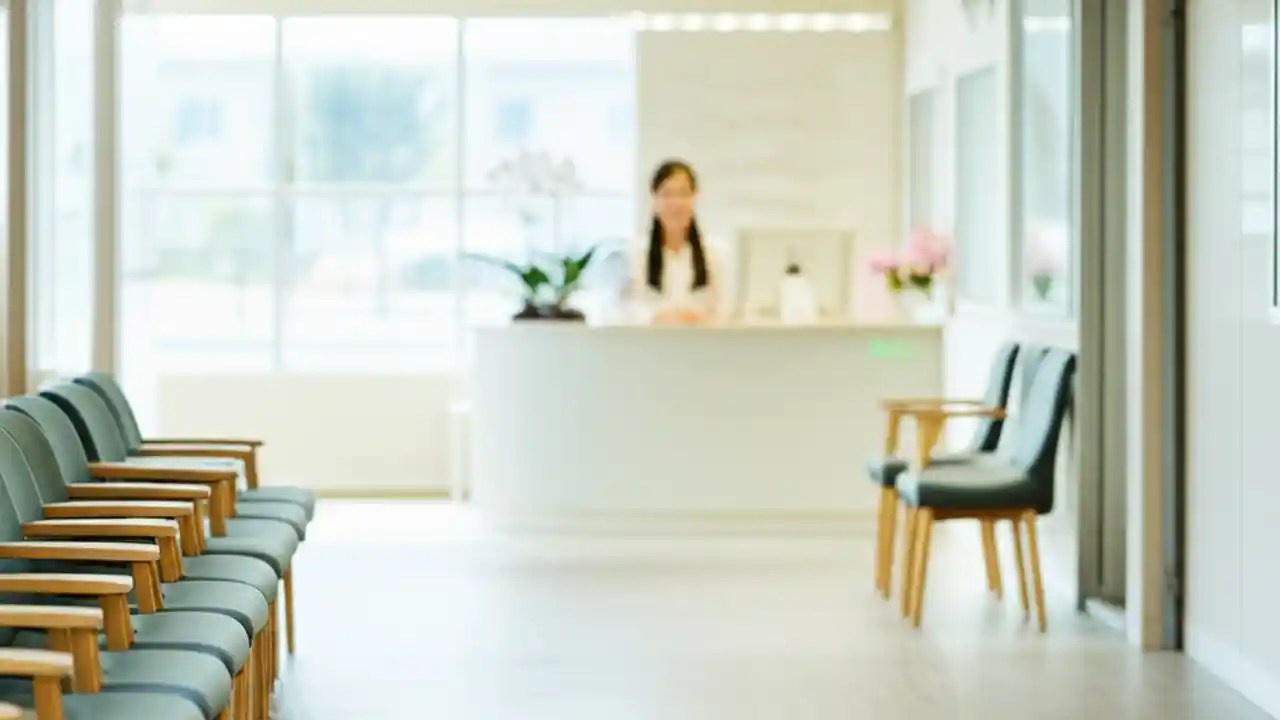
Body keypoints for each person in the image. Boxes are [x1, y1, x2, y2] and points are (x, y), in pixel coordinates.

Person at [629, 160, 728, 325]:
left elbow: (725, 310)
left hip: (701, 338)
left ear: (695, 197)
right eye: (667, 194)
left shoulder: (714, 253)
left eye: (683, 194)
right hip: (652, 338)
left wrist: (699, 319)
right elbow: (628, 310)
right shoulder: (637, 254)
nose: (676, 203)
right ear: (654, 199)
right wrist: (657, 318)